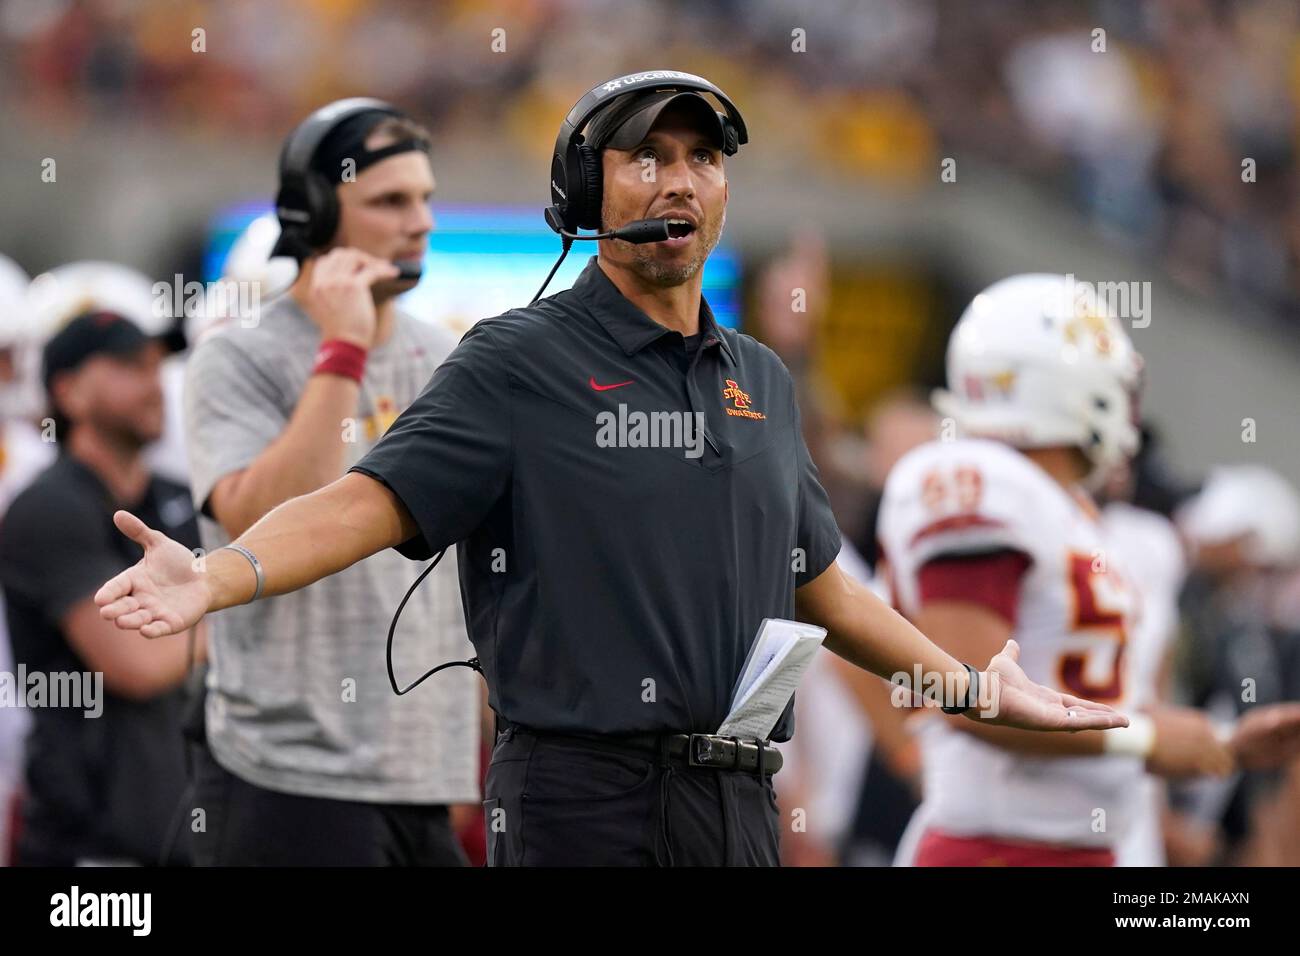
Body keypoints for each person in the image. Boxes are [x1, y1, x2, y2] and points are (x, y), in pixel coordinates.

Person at [95, 72, 1129, 868]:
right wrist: (216, 575)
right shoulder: (516, 359)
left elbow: (823, 588)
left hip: (737, 797)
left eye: (702, 157)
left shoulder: (760, 379)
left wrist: (967, 688)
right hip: (580, 799)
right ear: (587, 191)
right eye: (645, 155)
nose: (678, 177)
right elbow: (363, 503)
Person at [876, 273, 1300, 866]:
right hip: (995, 848)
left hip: (1079, 849)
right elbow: (968, 692)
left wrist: (1224, 743)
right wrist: (1148, 738)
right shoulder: (982, 483)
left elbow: (1087, 697)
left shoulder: (1066, 507)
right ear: (1056, 382)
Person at [178, 99, 478, 865]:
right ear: (313, 215)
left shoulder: (449, 358)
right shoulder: (239, 356)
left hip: (422, 778)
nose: (422, 223)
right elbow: (260, 522)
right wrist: (342, 349)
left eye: (426, 199)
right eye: (390, 202)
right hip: (290, 775)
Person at [0, 310, 202, 865]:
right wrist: (233, 607)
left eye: (156, 365)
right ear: (68, 391)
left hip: (184, 835)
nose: (152, 381)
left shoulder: (179, 499)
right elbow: (136, 663)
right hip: (88, 847)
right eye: (128, 365)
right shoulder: (47, 506)